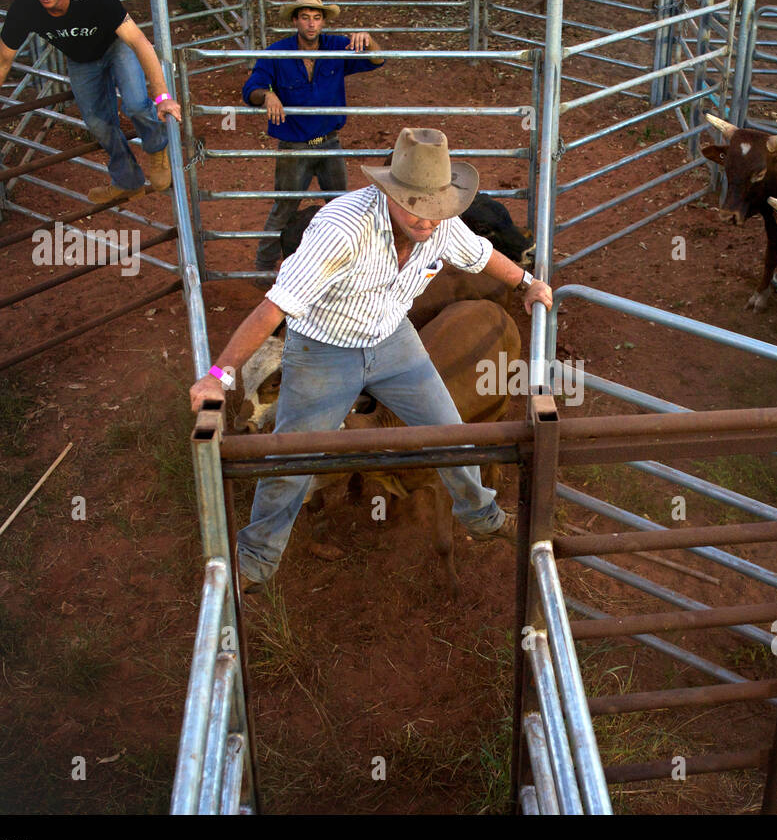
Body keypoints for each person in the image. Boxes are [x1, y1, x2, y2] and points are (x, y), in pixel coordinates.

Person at [189, 128, 553, 593]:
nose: (427, 221)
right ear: (389, 193)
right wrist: (218, 375)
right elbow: (273, 307)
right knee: (292, 453)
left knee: (450, 431)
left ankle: (480, 515)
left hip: (392, 339)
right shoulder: (341, 229)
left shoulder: (439, 223)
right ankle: (255, 561)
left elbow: (481, 256)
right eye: (416, 208)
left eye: (436, 209)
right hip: (325, 350)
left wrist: (526, 284)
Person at [0, 0, 181, 204]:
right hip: (81, 59)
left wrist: (163, 97)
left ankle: (157, 148)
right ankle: (128, 181)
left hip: (116, 47)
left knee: (136, 103)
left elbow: (138, 41)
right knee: (97, 123)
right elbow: (1, 59)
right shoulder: (26, 5)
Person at [241, 0, 384, 278]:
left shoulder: (336, 47)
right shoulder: (276, 53)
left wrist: (368, 40)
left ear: (323, 22)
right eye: (305, 17)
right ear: (295, 20)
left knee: (342, 204)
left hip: (330, 141)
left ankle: (352, 264)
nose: (310, 24)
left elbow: (377, 60)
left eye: (316, 18)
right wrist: (267, 95)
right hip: (294, 146)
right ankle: (263, 269)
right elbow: (251, 89)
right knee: (284, 206)